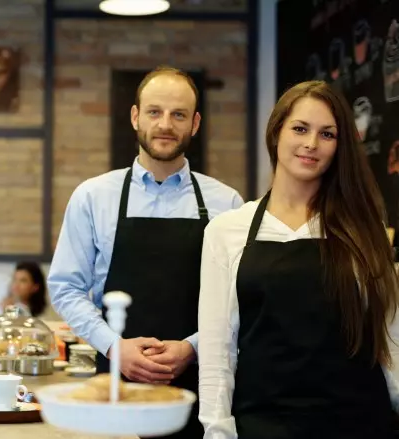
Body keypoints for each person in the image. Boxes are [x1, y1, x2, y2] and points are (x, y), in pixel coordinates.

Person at [48, 65, 243, 438]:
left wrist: (193, 347)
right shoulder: (93, 196)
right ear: (136, 116)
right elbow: (66, 288)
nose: (165, 124)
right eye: (154, 111)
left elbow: (239, 298)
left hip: (200, 392)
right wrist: (114, 346)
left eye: (179, 114)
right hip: (113, 388)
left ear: (195, 123)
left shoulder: (227, 203)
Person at [197, 80, 399, 438]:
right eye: (300, 129)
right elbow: (218, 353)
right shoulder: (227, 231)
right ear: (276, 132)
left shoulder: (364, 231)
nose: (311, 144)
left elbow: (390, 338)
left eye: (327, 134)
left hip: (358, 424)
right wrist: (217, 431)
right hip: (262, 424)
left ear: (340, 146)